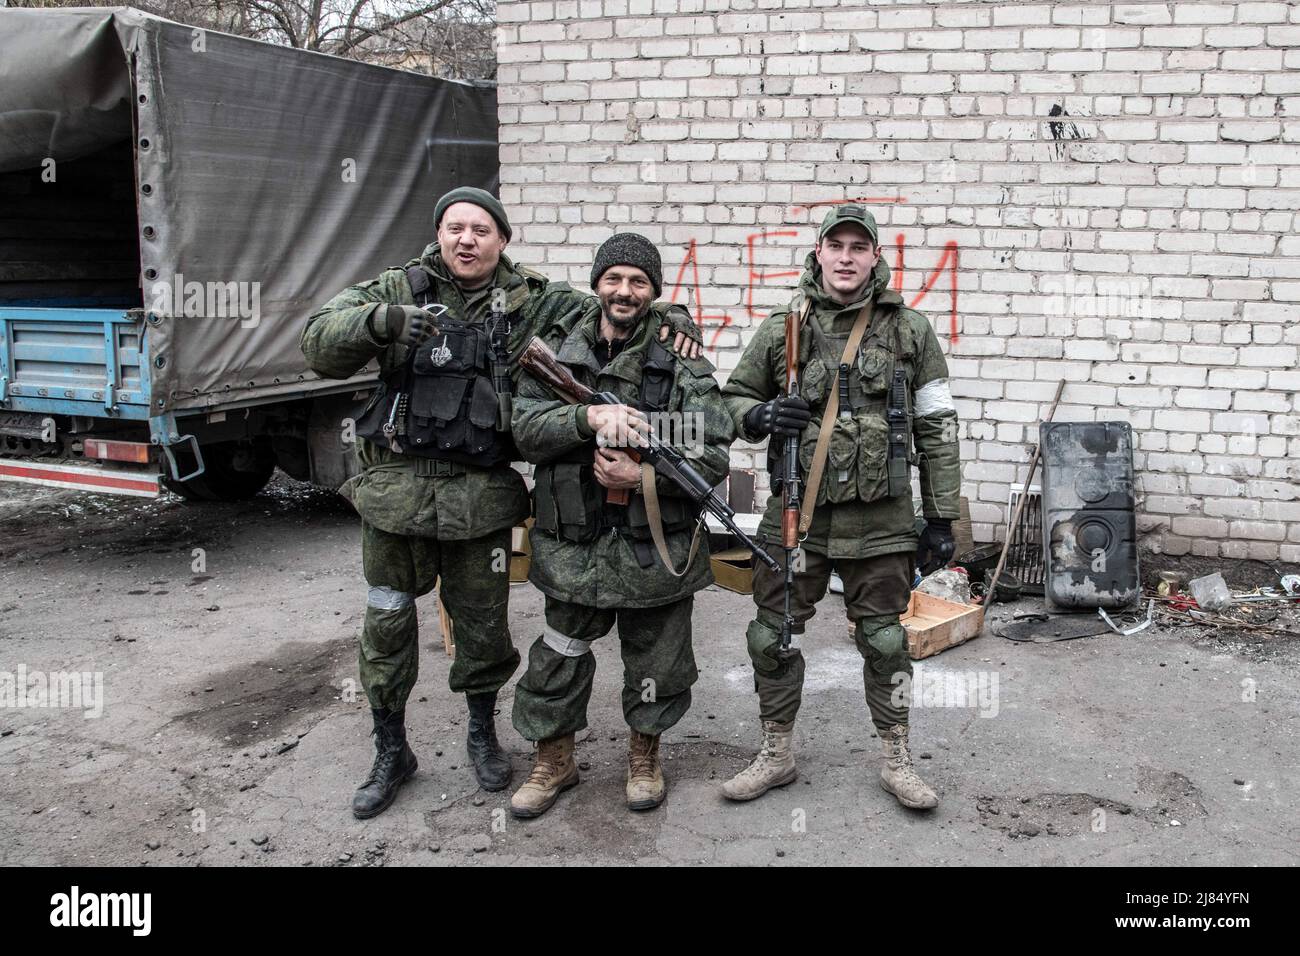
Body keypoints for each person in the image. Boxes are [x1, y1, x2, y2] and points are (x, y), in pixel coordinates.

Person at [300, 189, 702, 819]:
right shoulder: (396, 289)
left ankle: (483, 736)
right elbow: (317, 342)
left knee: (483, 630)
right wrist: (379, 323)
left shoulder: (532, 297)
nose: (467, 240)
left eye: (481, 230)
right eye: (455, 228)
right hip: (395, 496)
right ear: (439, 233)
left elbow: (615, 304)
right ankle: (390, 750)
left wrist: (675, 316)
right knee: (387, 625)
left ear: (502, 239)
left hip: (478, 501)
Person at [719, 205, 961, 810]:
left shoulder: (911, 331)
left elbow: (937, 427)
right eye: (837, 246)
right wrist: (760, 414)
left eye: (859, 247)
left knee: (885, 641)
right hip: (799, 516)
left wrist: (940, 516)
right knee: (771, 634)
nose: (847, 257)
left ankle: (897, 758)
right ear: (819, 253)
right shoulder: (784, 327)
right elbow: (732, 400)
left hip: (882, 519)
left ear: (876, 256)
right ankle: (777, 752)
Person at [506, 233, 733, 818]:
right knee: (558, 656)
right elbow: (524, 429)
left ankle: (644, 757)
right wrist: (587, 418)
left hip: (652, 549)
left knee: (658, 662)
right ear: (597, 284)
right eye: (614, 279)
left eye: (638, 281)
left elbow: (712, 447)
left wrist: (643, 475)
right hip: (572, 547)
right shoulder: (559, 349)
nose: (624, 291)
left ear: (654, 291)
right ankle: (554, 760)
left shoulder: (679, 357)